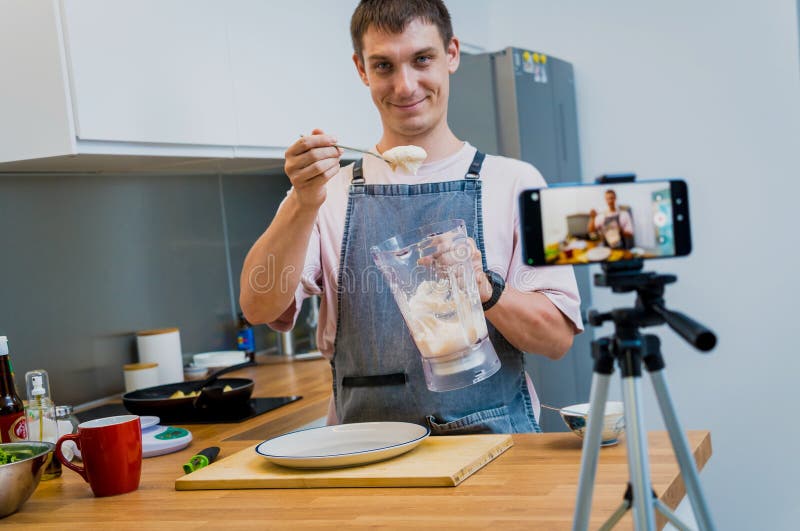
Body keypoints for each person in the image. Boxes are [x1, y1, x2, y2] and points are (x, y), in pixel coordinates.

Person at [240, 0, 582, 434]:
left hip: (500, 451)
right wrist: (302, 202)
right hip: (364, 451)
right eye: (384, 66)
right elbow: (256, 306)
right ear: (361, 70)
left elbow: (556, 340)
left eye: (422, 59)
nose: (404, 86)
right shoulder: (325, 195)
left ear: (451, 54)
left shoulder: (516, 183)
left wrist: (484, 287)